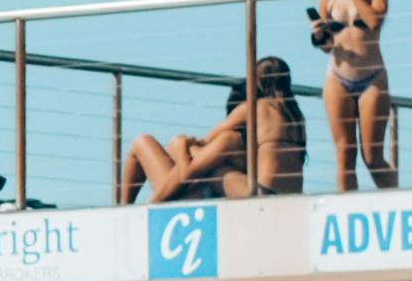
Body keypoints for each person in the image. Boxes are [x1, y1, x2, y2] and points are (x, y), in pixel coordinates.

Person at [118, 61, 307, 206]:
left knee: (147, 143)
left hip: (260, 194)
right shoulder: (296, 117)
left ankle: (125, 209)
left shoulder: (251, 113)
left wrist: (182, 147)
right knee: (205, 162)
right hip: (291, 198)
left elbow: (206, 142)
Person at [308, 0, 395, 193]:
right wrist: (319, 33)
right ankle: (345, 207)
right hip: (338, 74)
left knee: (372, 156)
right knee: (344, 154)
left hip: (371, 76)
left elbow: (373, 21)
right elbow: (327, 47)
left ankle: (396, 199)